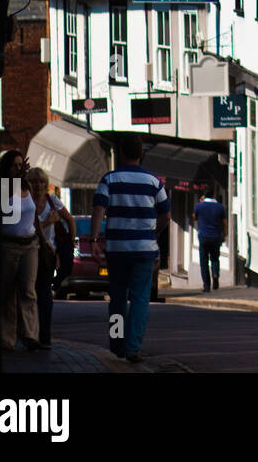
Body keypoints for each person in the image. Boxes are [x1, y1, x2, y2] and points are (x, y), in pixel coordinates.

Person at [92, 138, 170, 363]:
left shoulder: (109, 179)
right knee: (139, 299)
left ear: (121, 153)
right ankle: (133, 347)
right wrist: (154, 234)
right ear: (140, 155)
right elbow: (166, 214)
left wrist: (95, 239)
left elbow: (99, 208)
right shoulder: (154, 182)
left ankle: (117, 343)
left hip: (117, 250)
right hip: (144, 250)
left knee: (117, 298)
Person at [26, 166, 73, 350]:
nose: (38, 185)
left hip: (47, 254)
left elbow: (70, 219)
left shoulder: (52, 201)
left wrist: (70, 242)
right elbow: (30, 228)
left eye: (41, 182)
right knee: (29, 295)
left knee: (44, 295)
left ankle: (44, 337)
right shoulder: (25, 201)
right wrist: (47, 222)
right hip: (28, 250)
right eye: (34, 181)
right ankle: (29, 333)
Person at [0, 149, 41, 351]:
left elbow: (33, 216)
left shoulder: (27, 187)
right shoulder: (2, 188)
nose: (18, 168)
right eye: (14, 165)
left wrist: (42, 239)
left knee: (28, 291)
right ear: (6, 168)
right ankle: (6, 339)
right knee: (6, 293)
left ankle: (31, 336)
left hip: (29, 244)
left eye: (20, 164)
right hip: (8, 244)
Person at [193, 188, 227, 292]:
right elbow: (224, 222)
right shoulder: (220, 207)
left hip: (204, 236)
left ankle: (207, 286)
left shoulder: (199, 206)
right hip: (216, 236)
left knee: (204, 261)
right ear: (213, 196)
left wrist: (200, 204)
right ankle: (215, 274)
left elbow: (194, 217)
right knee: (215, 258)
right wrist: (224, 235)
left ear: (204, 196)